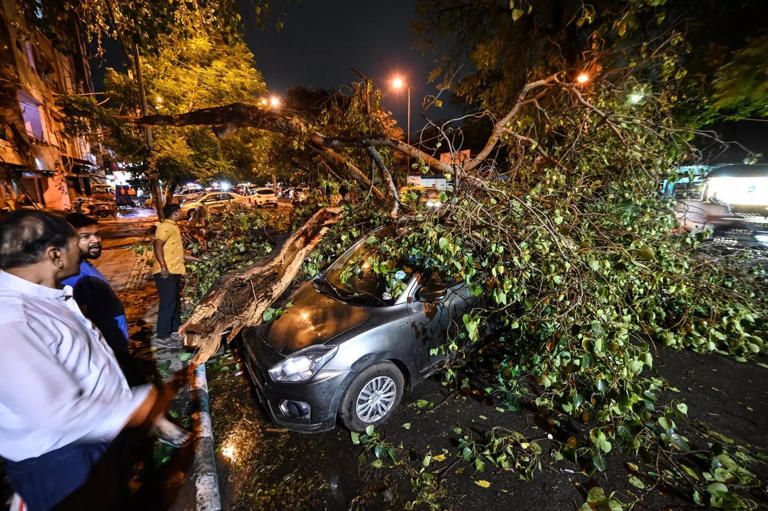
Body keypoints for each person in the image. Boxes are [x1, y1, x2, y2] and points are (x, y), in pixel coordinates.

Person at [0, 210, 176, 510]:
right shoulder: (12, 320)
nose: (82, 250)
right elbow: (53, 413)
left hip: (93, 445)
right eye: (75, 244)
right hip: (64, 464)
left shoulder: (45, 297)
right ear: (55, 255)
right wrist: (139, 405)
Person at [61, 213, 144, 385]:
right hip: (108, 354)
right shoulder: (73, 277)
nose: (95, 240)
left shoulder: (83, 266)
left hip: (115, 346)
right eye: (85, 237)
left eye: (97, 234)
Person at [152, 203, 199, 347]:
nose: (181, 212)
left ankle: (174, 329)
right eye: (180, 211)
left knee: (175, 302)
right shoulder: (165, 226)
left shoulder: (173, 227)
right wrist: (163, 266)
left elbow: (179, 254)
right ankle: (162, 336)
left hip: (174, 270)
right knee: (168, 303)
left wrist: (198, 259)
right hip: (166, 272)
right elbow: (157, 244)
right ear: (176, 213)